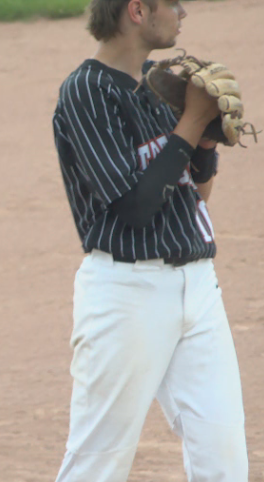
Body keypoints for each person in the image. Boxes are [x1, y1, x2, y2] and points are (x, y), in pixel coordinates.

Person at [51, 1, 247, 481]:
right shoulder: (87, 91)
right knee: (98, 460)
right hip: (127, 293)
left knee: (224, 457)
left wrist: (202, 142)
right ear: (137, 10)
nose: (183, 12)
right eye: (173, 4)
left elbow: (195, 193)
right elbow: (134, 210)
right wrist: (190, 122)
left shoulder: (161, 86)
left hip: (198, 286)